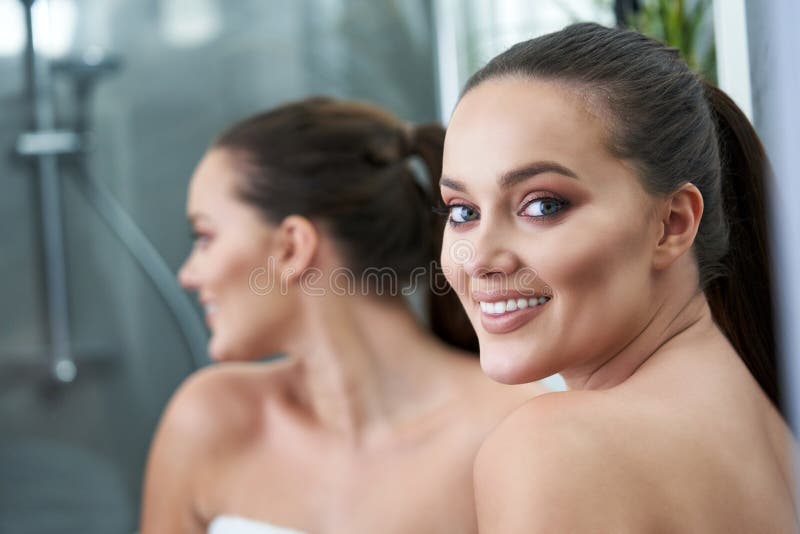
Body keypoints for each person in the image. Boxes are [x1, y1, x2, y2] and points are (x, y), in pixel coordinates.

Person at [439, 22, 798, 532]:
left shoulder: (553, 448)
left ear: (672, 224)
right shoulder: (772, 429)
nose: (479, 258)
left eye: (542, 205)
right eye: (461, 211)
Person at [139, 97, 545, 533]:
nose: (188, 275)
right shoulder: (209, 421)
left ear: (292, 247)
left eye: (204, 237)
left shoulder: (517, 437)